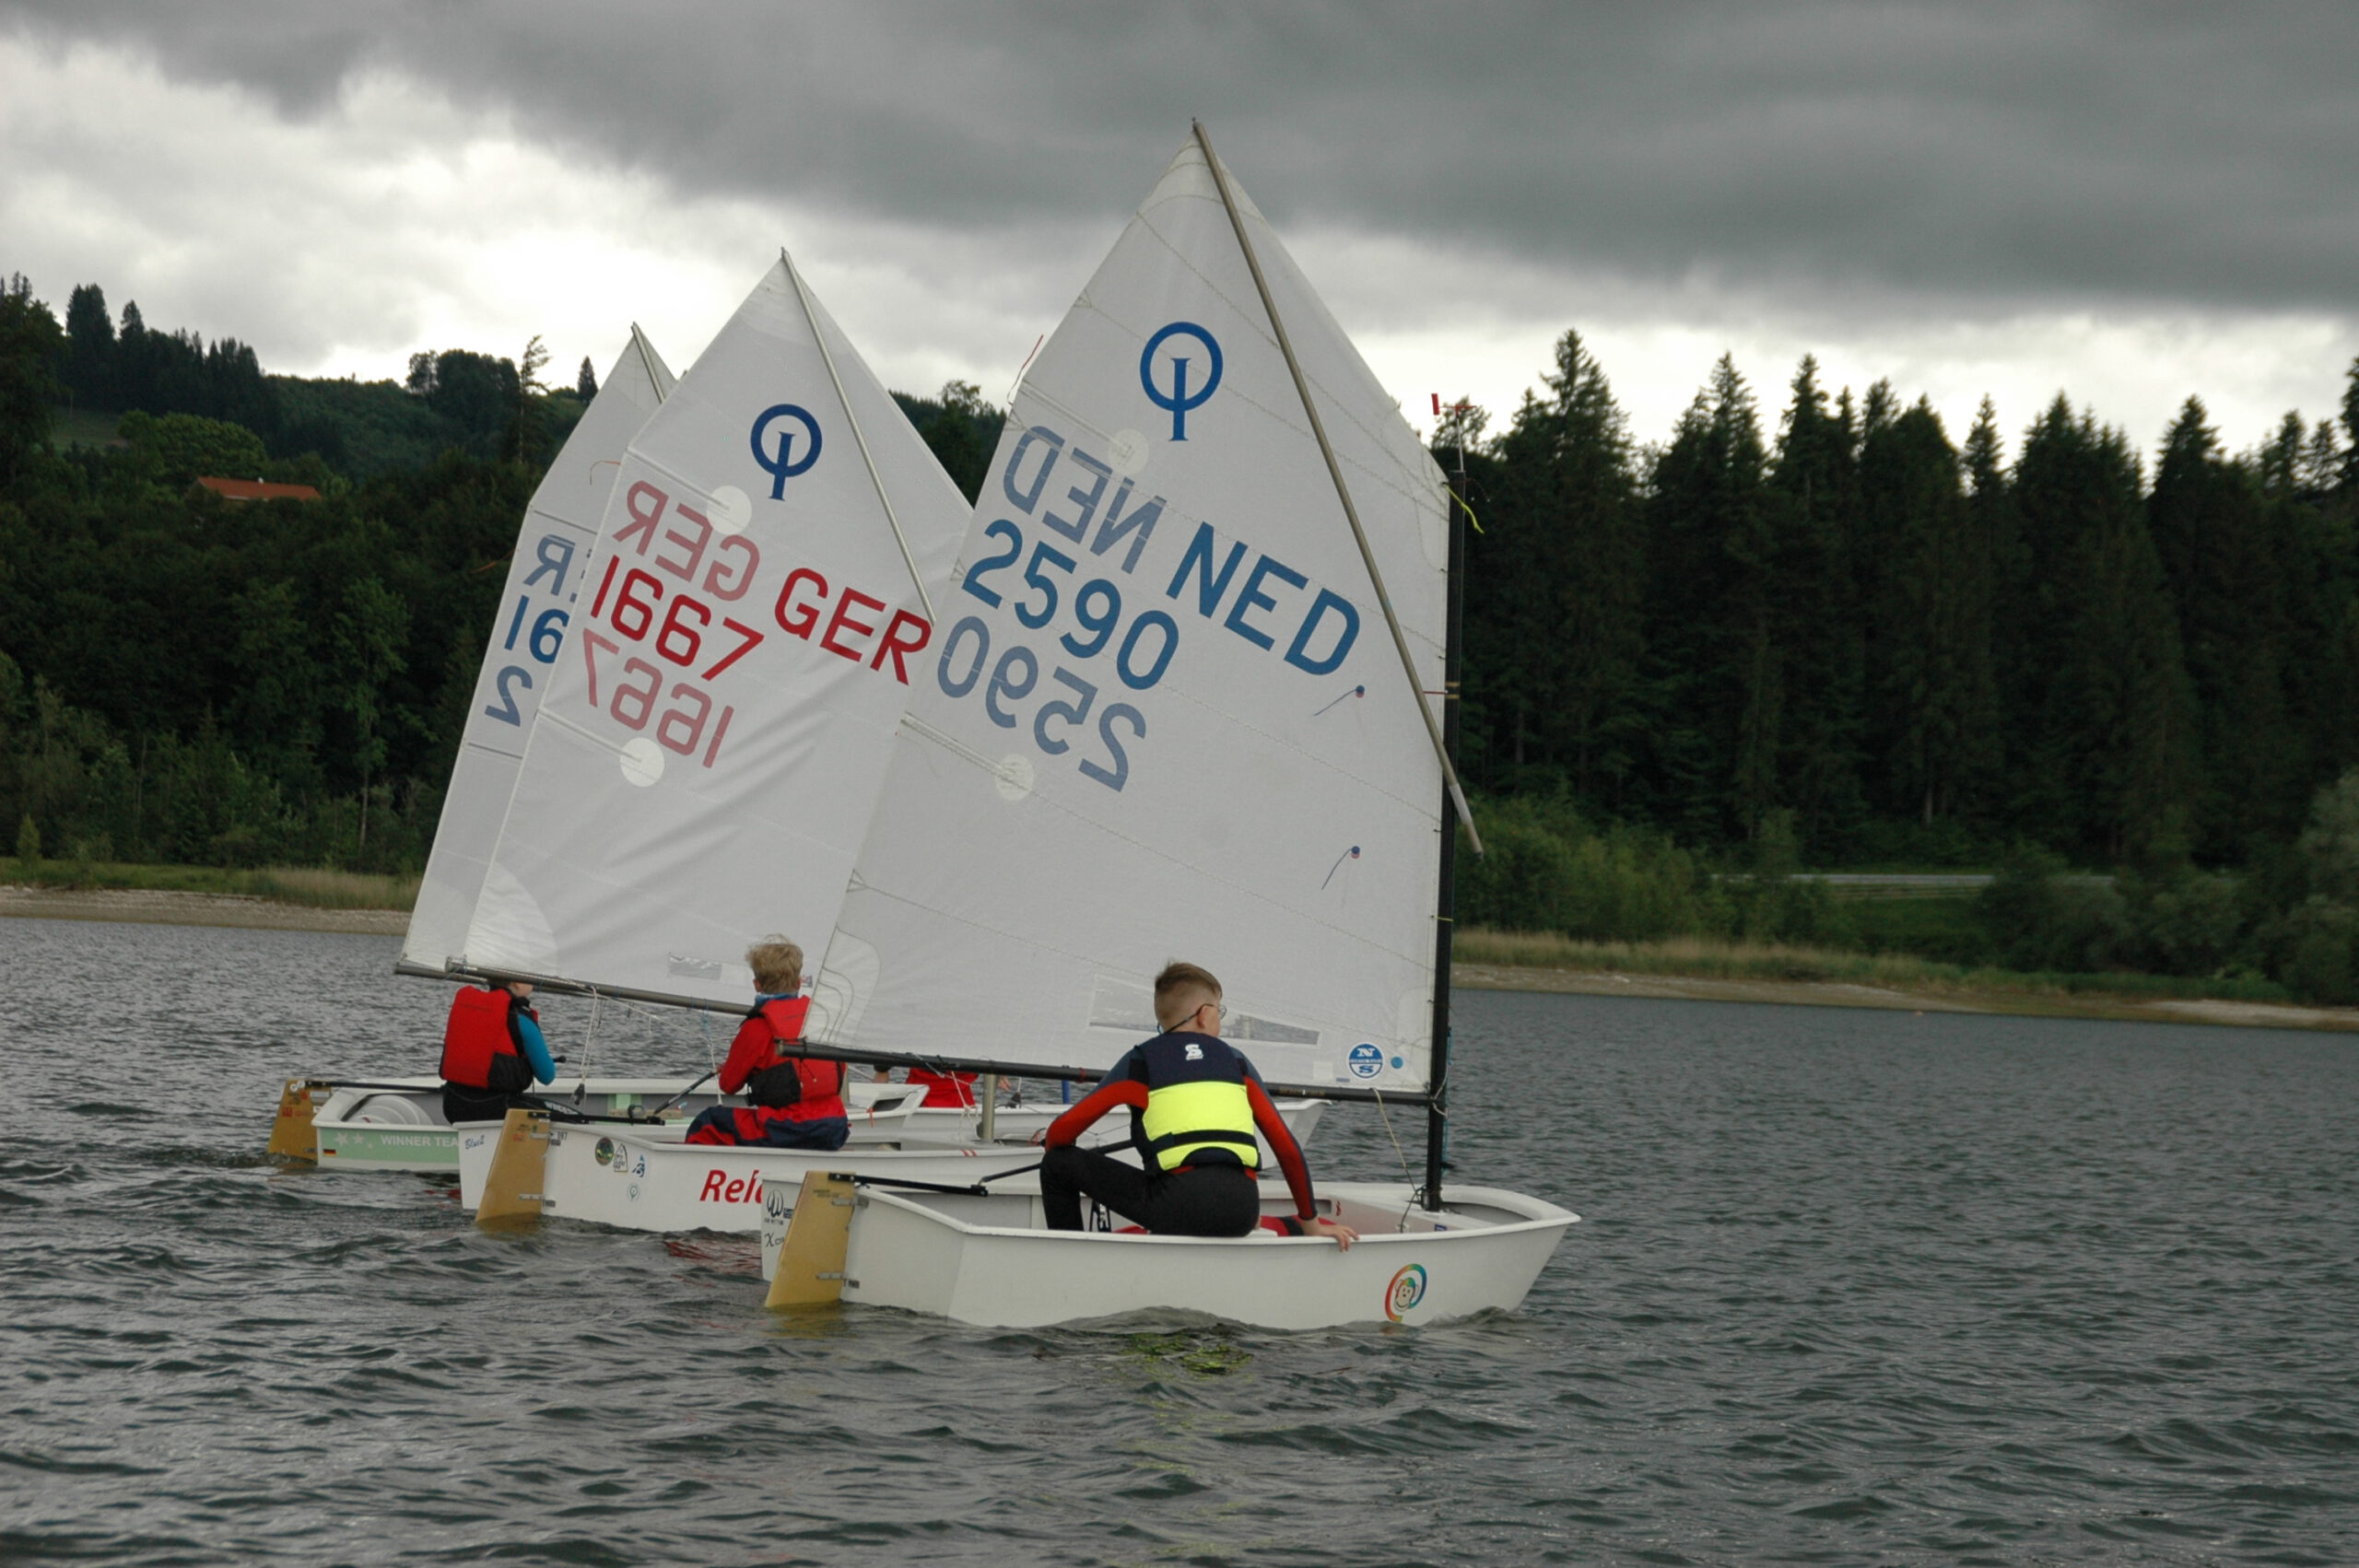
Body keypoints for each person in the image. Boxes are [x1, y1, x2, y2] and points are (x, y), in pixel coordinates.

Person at [1039, 962, 1356, 1246]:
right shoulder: (1236, 1062)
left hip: (1176, 1209)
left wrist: (1053, 1143)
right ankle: (1293, 1228)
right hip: (1242, 1212)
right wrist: (1311, 1223)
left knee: (1057, 1164)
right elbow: (1287, 1149)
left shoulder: (1141, 1062)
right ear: (1205, 1014)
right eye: (1221, 1011)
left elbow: (1060, 1136)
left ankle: (1070, 1255)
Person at [684, 938, 849, 1151]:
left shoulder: (757, 1027)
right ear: (799, 982)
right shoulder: (820, 1017)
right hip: (835, 1125)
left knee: (708, 1122)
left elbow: (728, 1085)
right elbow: (838, 1069)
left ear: (757, 985)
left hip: (788, 1127)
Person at [439, 977, 556, 1124]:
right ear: (518, 982)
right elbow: (547, 1076)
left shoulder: (469, 1007)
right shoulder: (522, 1019)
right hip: (498, 1109)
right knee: (568, 1118)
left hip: (453, 1106)